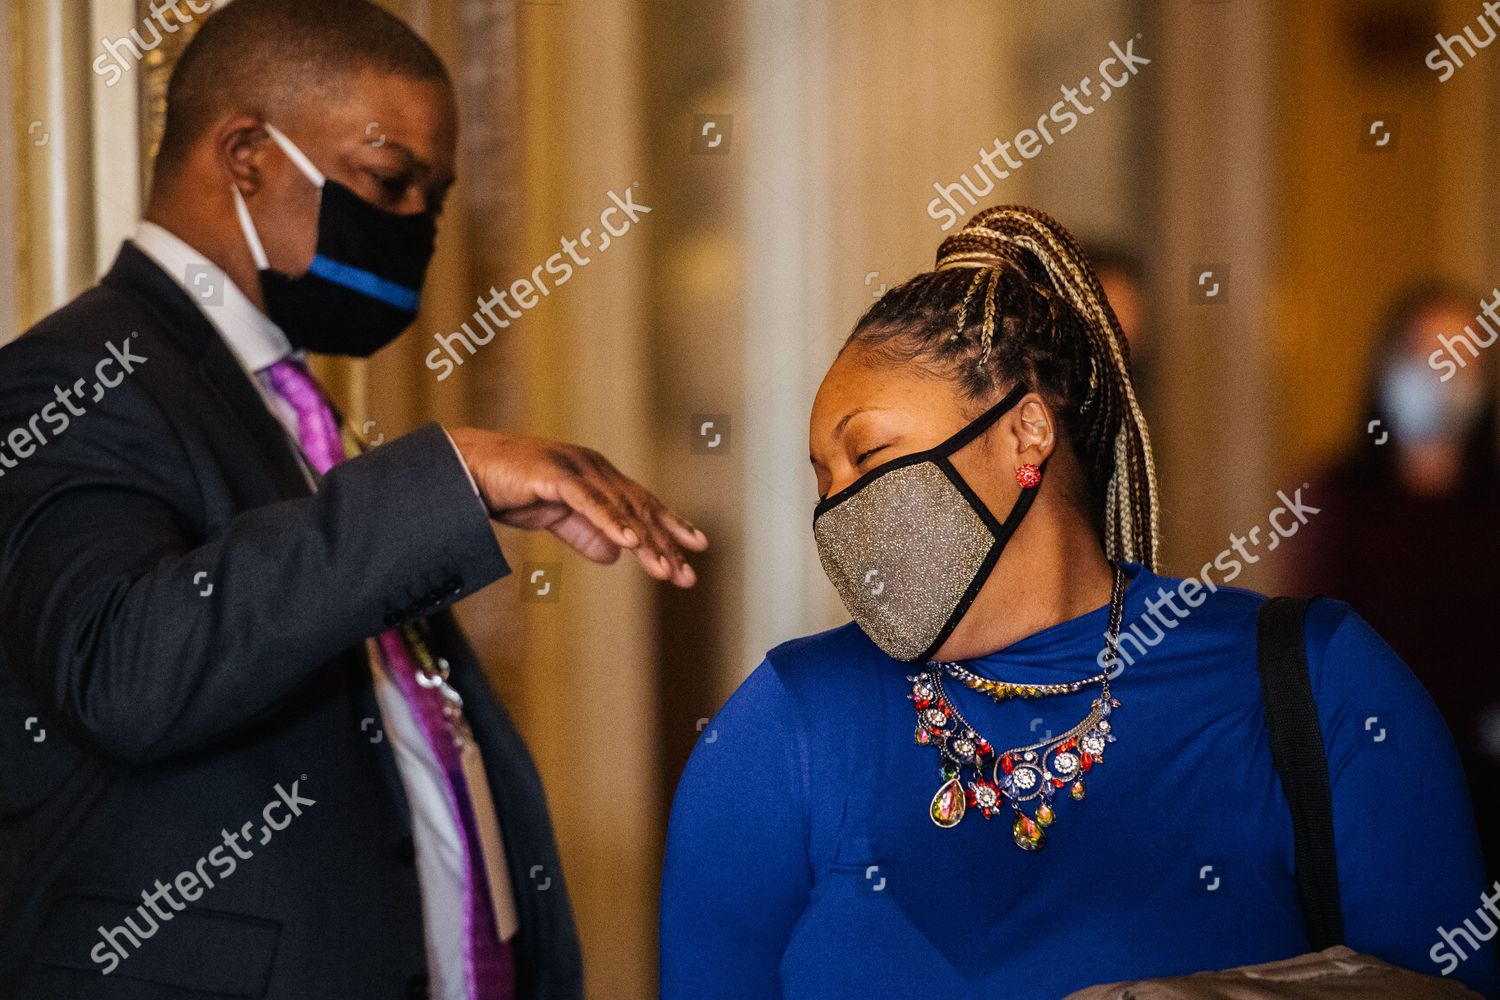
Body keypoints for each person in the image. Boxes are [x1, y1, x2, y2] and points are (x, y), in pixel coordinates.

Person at [0, 2, 705, 998]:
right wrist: (448, 475)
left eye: (437, 196)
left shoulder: (285, 406)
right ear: (246, 152)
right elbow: (118, 664)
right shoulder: (74, 377)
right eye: (390, 182)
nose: (416, 222)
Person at [659, 207, 1497, 998]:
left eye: (868, 454)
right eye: (822, 480)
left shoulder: (1317, 686)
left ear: (1027, 433)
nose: (840, 506)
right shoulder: (779, 732)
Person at [1294, 281, 1500, 889]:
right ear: (1388, 364)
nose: (1442, 374)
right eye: (1424, 352)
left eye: (1462, 358)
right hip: (1366, 781)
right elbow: (1313, 646)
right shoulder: (1336, 499)